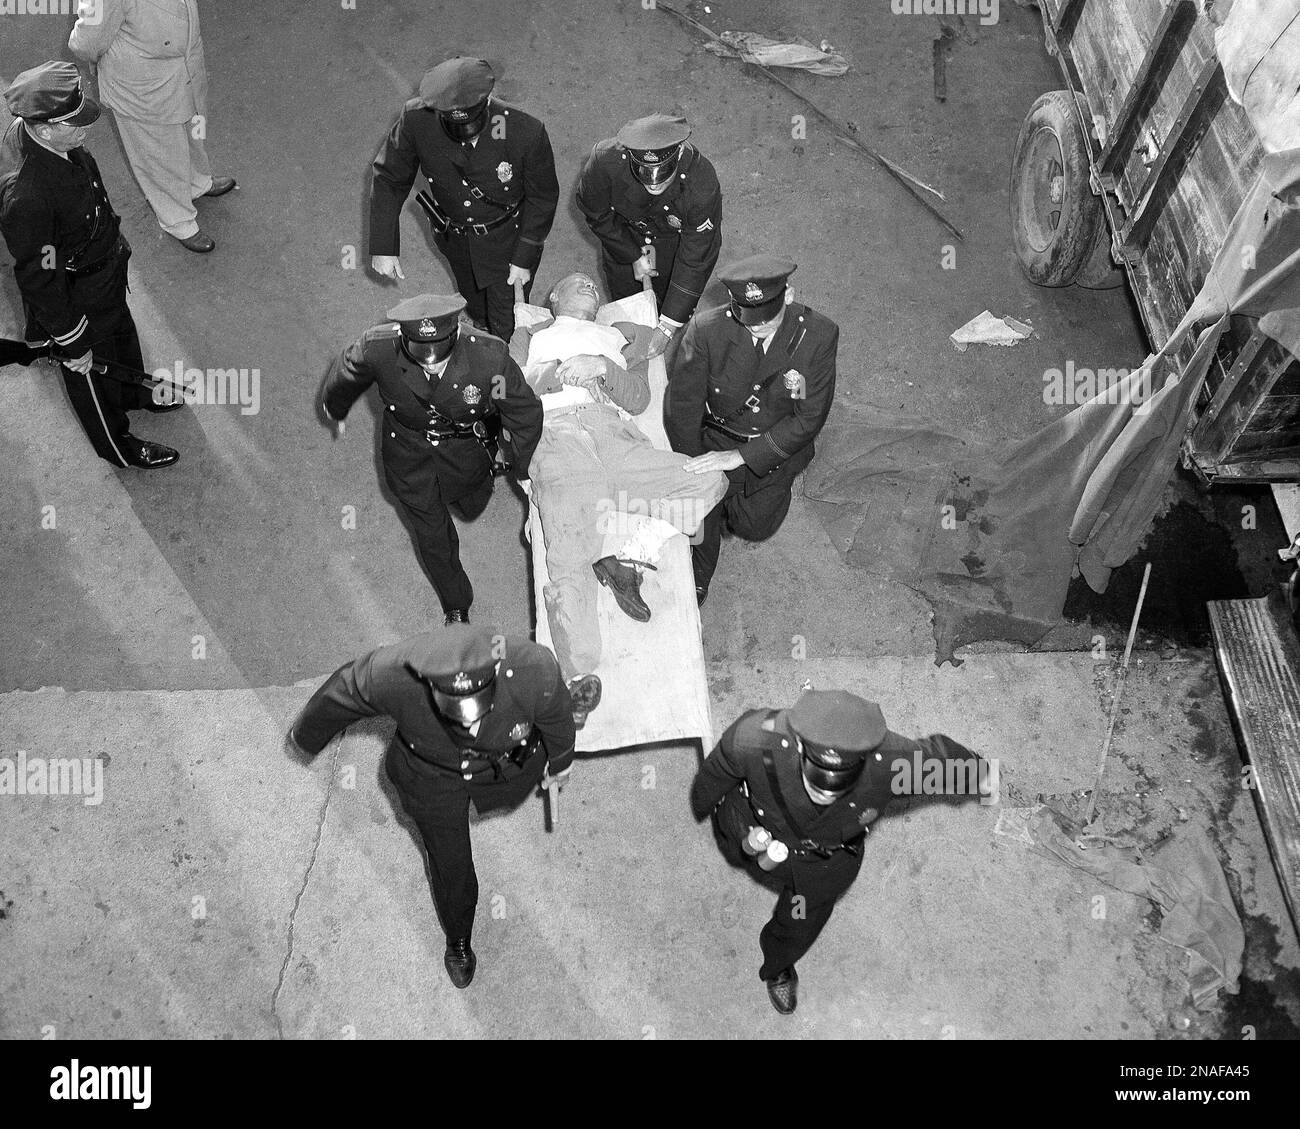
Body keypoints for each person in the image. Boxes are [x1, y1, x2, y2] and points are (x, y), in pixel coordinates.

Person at [289, 626, 598, 988]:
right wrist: (306, 736)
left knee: (550, 706)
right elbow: (346, 688)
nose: (467, 722)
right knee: (450, 866)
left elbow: (557, 721)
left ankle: (567, 695)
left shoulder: (533, 667)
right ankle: (459, 938)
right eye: (456, 710)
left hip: (505, 758)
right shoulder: (394, 672)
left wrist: (562, 762)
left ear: (496, 671)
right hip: (430, 777)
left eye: (476, 708)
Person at [691, 689, 993, 1014]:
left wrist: (982, 774)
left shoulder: (890, 762)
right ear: (800, 746)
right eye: (817, 781)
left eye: (837, 784)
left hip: (820, 866)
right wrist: (703, 807)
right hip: (751, 832)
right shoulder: (754, 739)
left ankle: (777, 965)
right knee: (736, 853)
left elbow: (943, 761)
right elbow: (714, 775)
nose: (824, 794)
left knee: (800, 918)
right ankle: (739, 852)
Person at [509, 272, 728, 683]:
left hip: (618, 438)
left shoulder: (620, 335)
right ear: (554, 296)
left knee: (711, 478)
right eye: (576, 281)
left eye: (592, 282)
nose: (589, 284)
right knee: (569, 562)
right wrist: (562, 371)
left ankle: (631, 555)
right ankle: (578, 677)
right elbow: (505, 391)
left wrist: (603, 367)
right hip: (560, 443)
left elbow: (639, 397)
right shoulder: (531, 333)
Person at [0, 61, 180, 469]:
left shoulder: (49, 139)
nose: (84, 129)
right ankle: (120, 448)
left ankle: (133, 391)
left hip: (105, 273)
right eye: (73, 123)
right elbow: (39, 276)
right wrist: (71, 339)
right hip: (75, 297)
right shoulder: (27, 197)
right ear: (43, 128)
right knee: (91, 379)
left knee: (122, 336)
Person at [322, 294, 542, 624]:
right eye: (421, 354)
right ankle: (457, 604)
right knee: (433, 536)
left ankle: (478, 485)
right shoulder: (379, 347)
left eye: (439, 353)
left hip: (466, 449)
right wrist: (336, 406)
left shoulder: (488, 358)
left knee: (471, 503)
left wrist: (524, 468)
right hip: (408, 456)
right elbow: (348, 368)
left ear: (455, 334)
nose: (430, 363)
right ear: (403, 338)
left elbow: (523, 413)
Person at [665, 254, 837, 603]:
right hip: (715, 436)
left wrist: (741, 457)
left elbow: (808, 418)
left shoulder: (818, 337)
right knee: (700, 507)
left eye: (765, 318)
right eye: (747, 317)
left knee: (755, 525)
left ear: (788, 296)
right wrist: (694, 465)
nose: (755, 326)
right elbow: (684, 403)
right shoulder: (707, 329)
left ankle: (733, 506)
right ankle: (699, 575)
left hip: (772, 443)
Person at [369, 57, 558, 340]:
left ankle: (501, 362)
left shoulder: (524, 131)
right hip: (455, 237)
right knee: (473, 299)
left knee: (506, 321)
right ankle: (484, 325)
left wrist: (524, 257)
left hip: (506, 242)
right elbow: (389, 177)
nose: (466, 139)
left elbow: (542, 198)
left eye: (473, 126)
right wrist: (383, 245)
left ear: (486, 103)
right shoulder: (417, 120)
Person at [69, 0, 236, 254]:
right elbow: (86, 43)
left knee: (190, 131)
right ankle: (177, 220)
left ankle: (196, 183)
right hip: (143, 83)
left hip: (181, 68)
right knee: (158, 154)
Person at [576, 113, 722, 362]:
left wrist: (667, 327)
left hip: (673, 247)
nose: (653, 184)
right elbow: (596, 212)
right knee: (626, 305)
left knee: (673, 307)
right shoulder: (606, 160)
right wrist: (631, 254)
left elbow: (697, 255)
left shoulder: (700, 183)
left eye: (662, 173)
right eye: (644, 172)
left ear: (676, 156)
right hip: (623, 236)